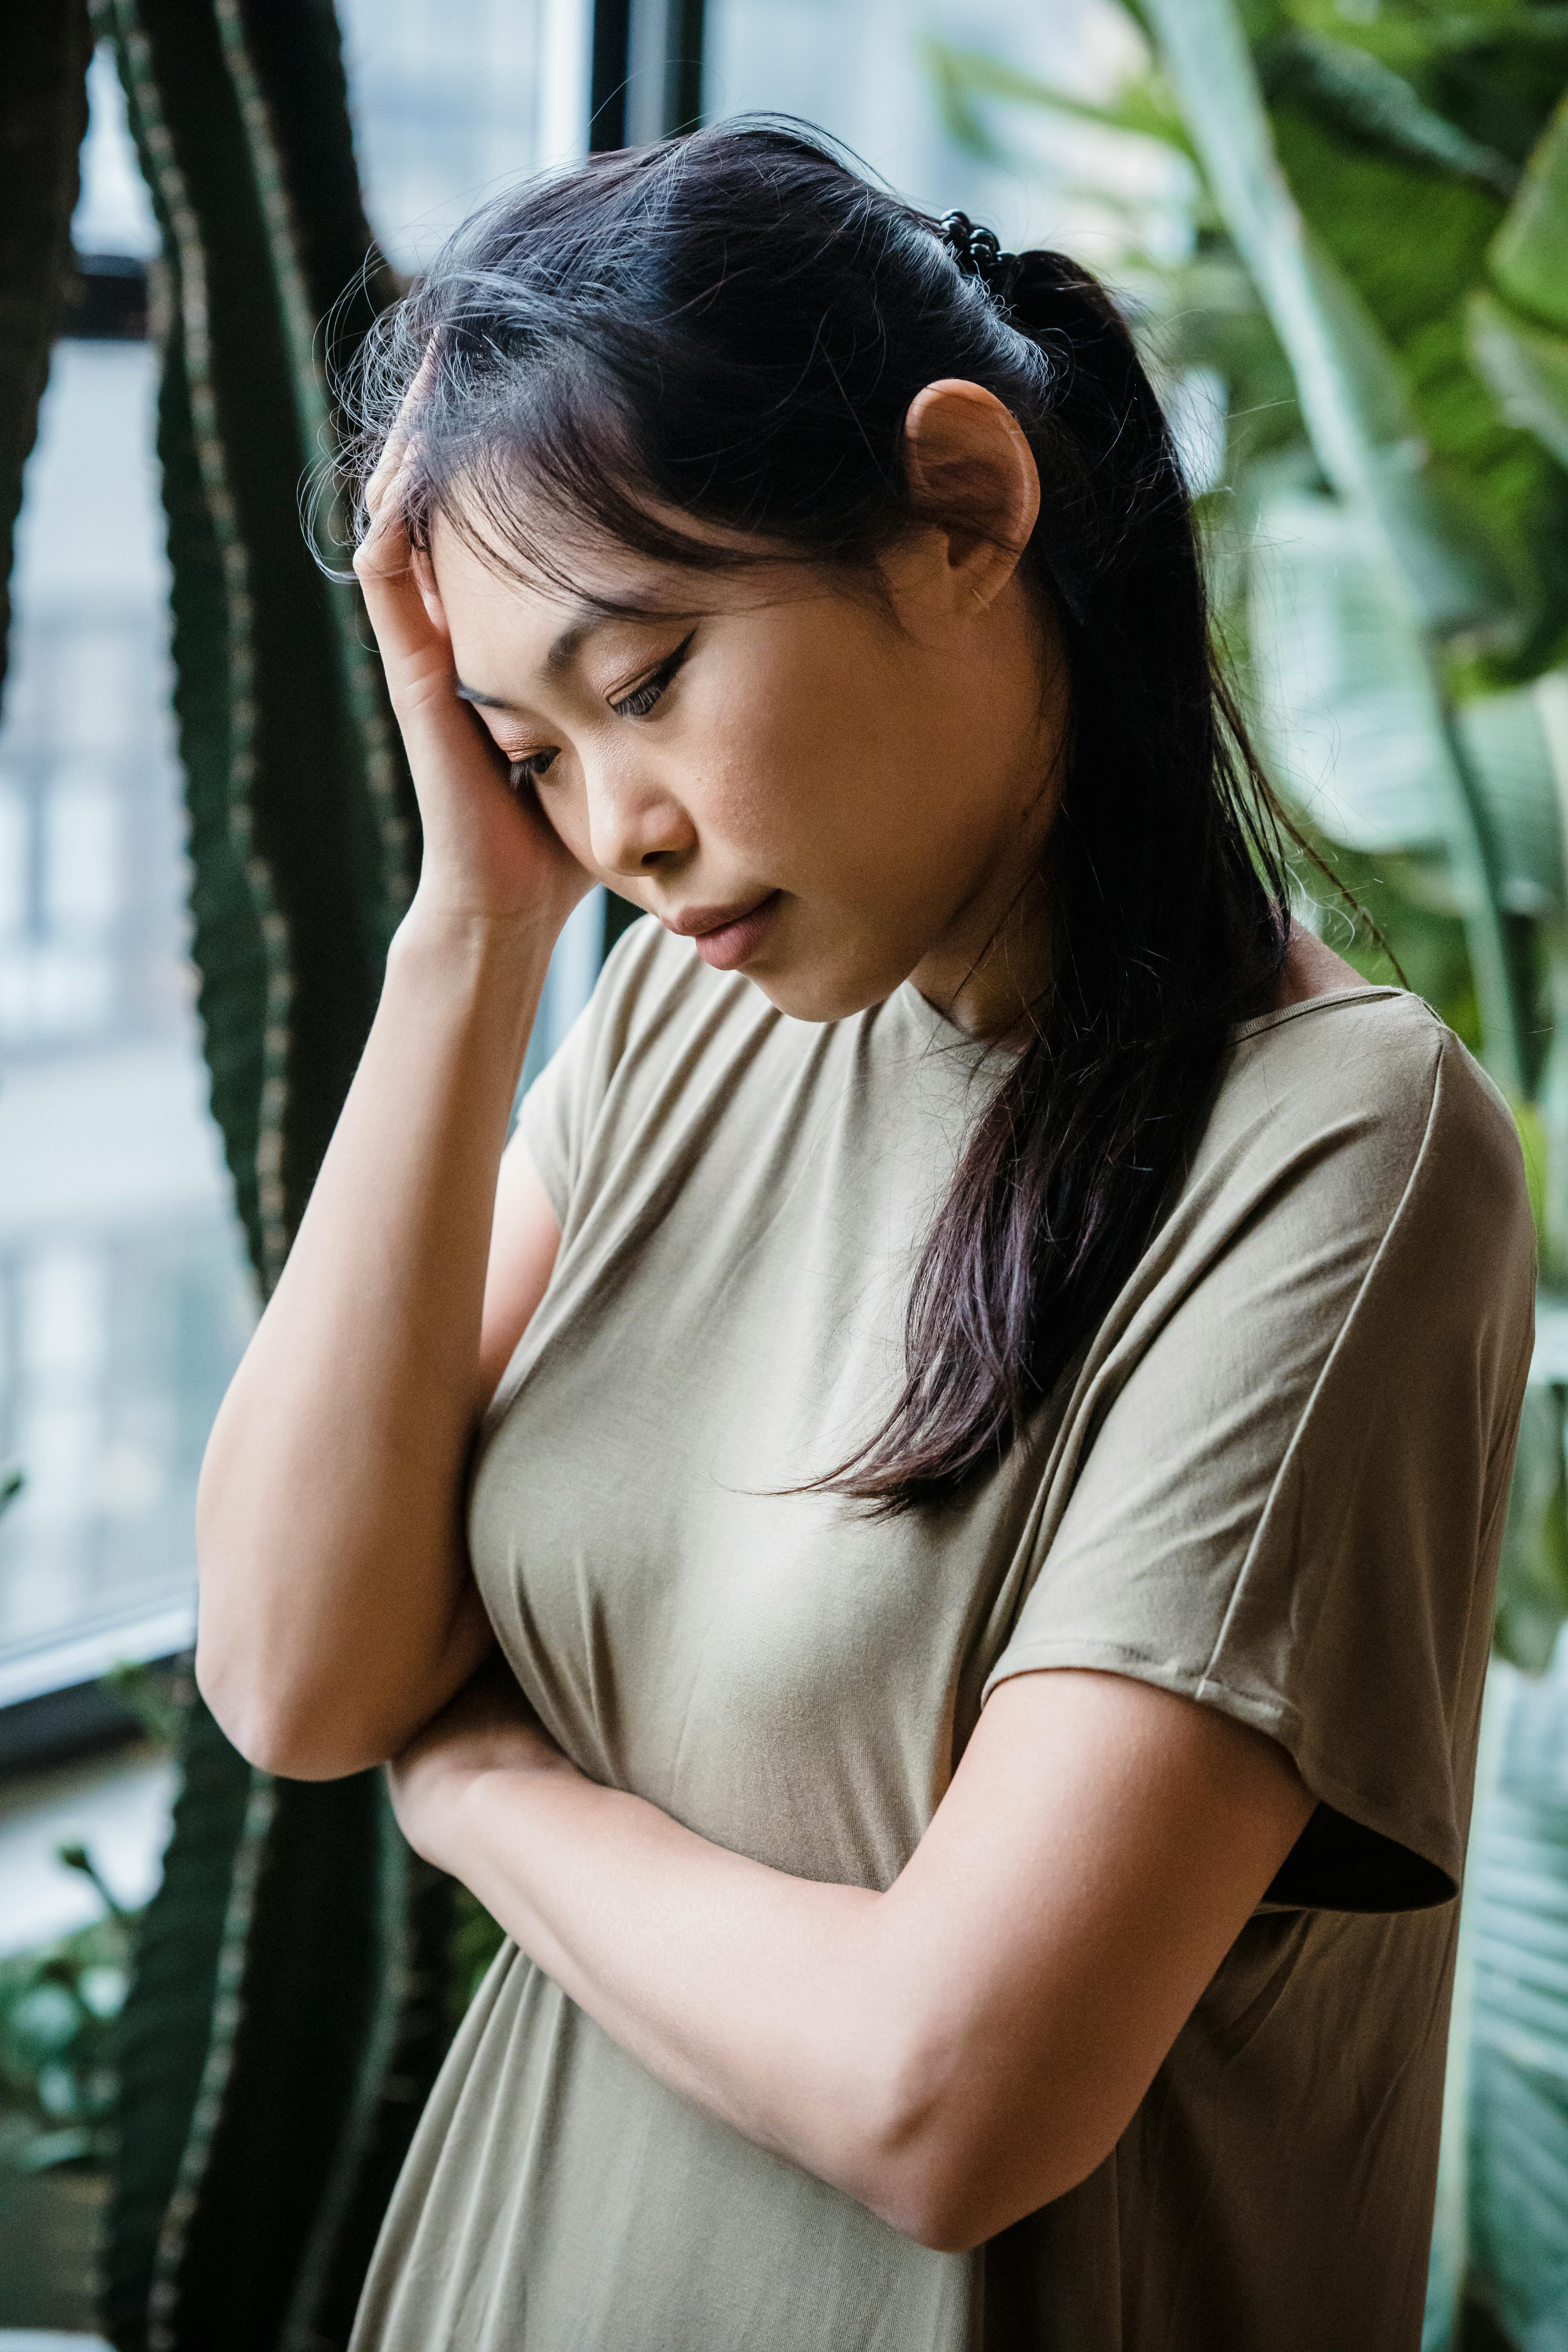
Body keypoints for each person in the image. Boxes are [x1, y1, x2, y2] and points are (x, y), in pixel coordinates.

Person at [193, 121, 1535, 2352]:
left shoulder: (1346, 1152)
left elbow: (954, 2098)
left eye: (644, 681)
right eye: (522, 749)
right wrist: (467, 928)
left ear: (963, 509)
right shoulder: (668, 1039)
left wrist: (488, 1787)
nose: (613, 823)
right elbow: (295, 1671)